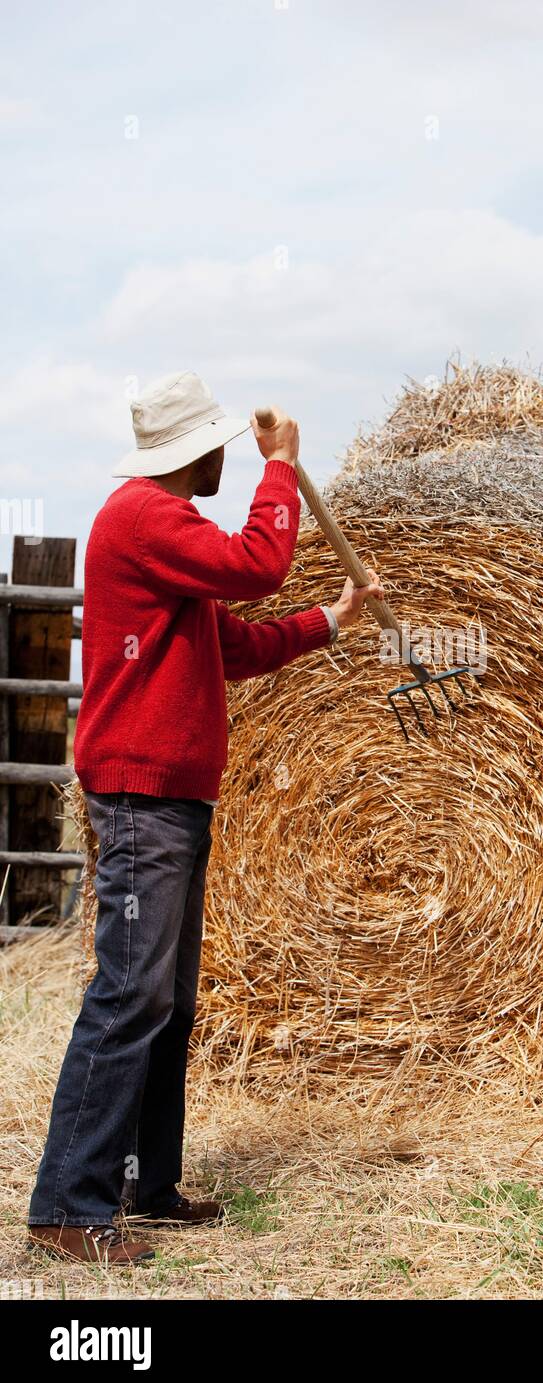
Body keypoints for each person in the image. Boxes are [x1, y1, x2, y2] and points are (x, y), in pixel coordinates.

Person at [27, 371, 383, 1263]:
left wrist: (332, 620)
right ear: (194, 452)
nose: (230, 454)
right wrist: (283, 469)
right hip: (143, 796)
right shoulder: (148, 517)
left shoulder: (167, 540)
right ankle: (69, 1208)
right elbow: (257, 565)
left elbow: (234, 642)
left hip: (173, 797)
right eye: (221, 445)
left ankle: (148, 1184)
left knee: (168, 1002)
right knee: (129, 995)